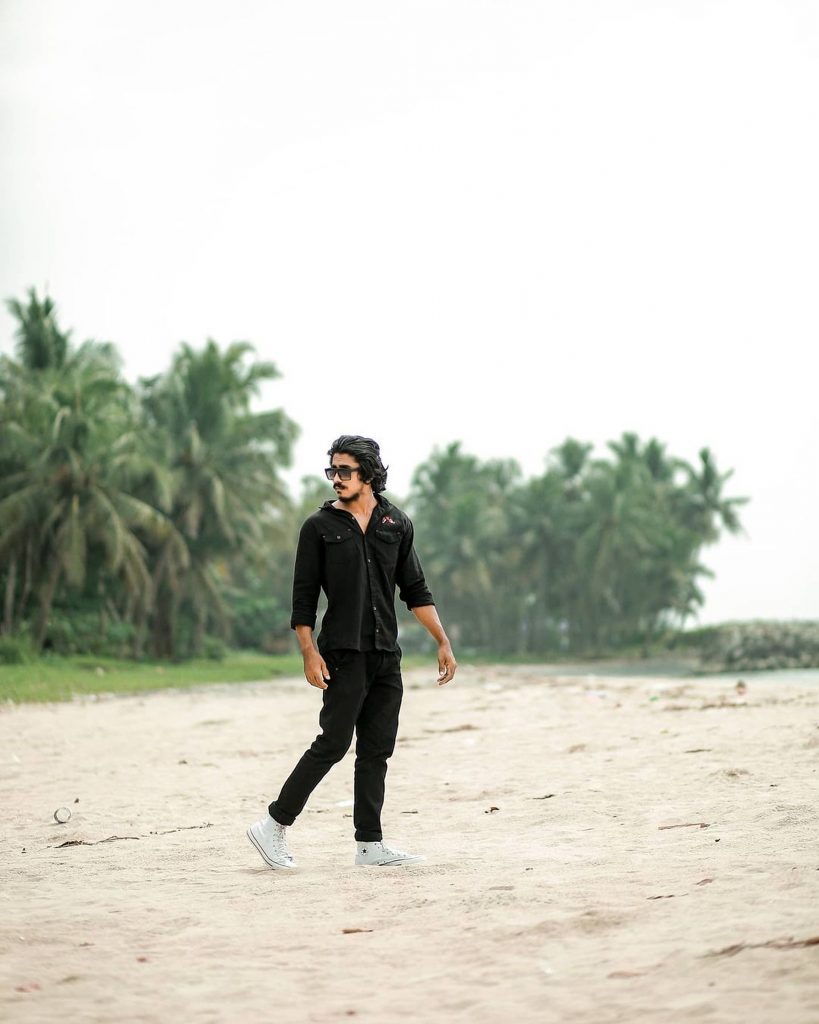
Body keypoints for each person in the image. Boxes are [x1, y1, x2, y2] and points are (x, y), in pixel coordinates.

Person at [247, 435, 457, 869]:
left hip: (386, 654)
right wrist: (308, 652)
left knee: (377, 749)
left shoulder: (395, 523)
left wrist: (442, 640)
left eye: (345, 470)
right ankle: (273, 825)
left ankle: (369, 845)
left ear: (369, 473)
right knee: (333, 743)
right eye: (333, 470)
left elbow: (415, 590)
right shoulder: (319, 528)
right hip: (342, 653)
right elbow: (304, 599)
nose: (336, 479)